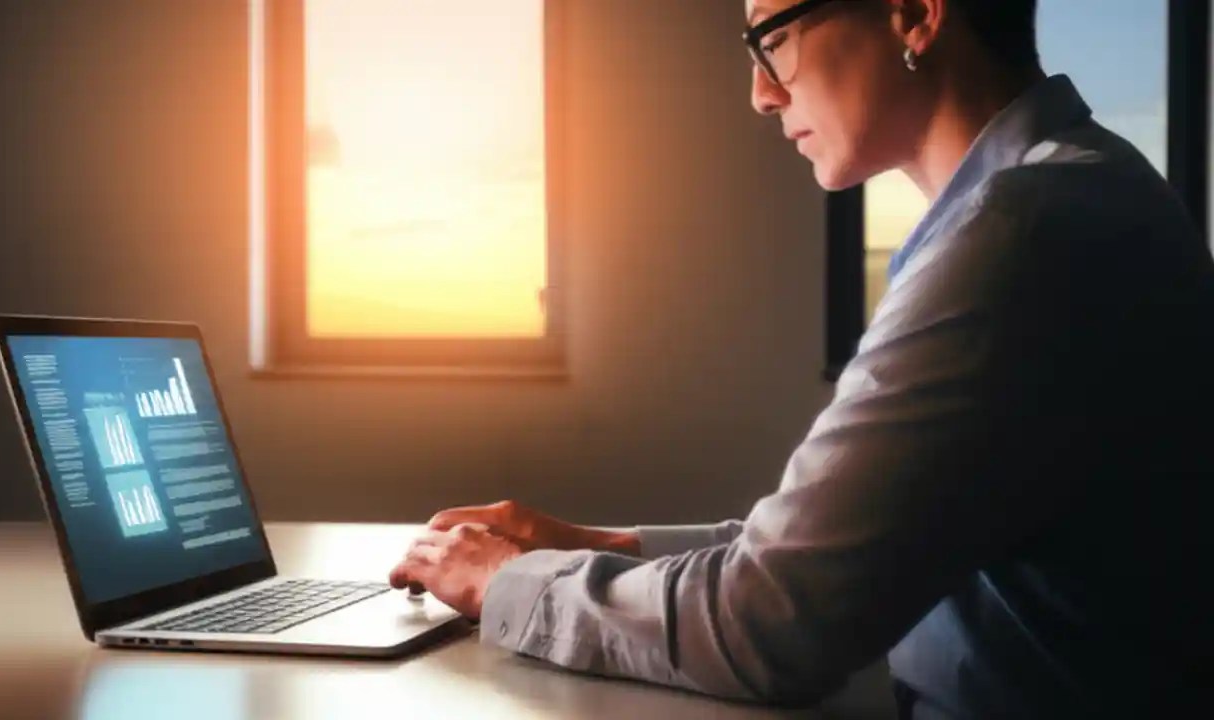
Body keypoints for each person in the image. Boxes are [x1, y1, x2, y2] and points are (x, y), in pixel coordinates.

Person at [390, 0, 1214, 717]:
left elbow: (770, 623)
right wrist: (599, 545)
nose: (760, 92)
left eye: (771, 38)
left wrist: (507, 584)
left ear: (914, 14)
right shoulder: (1074, 192)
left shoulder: (1020, 237)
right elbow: (841, 550)